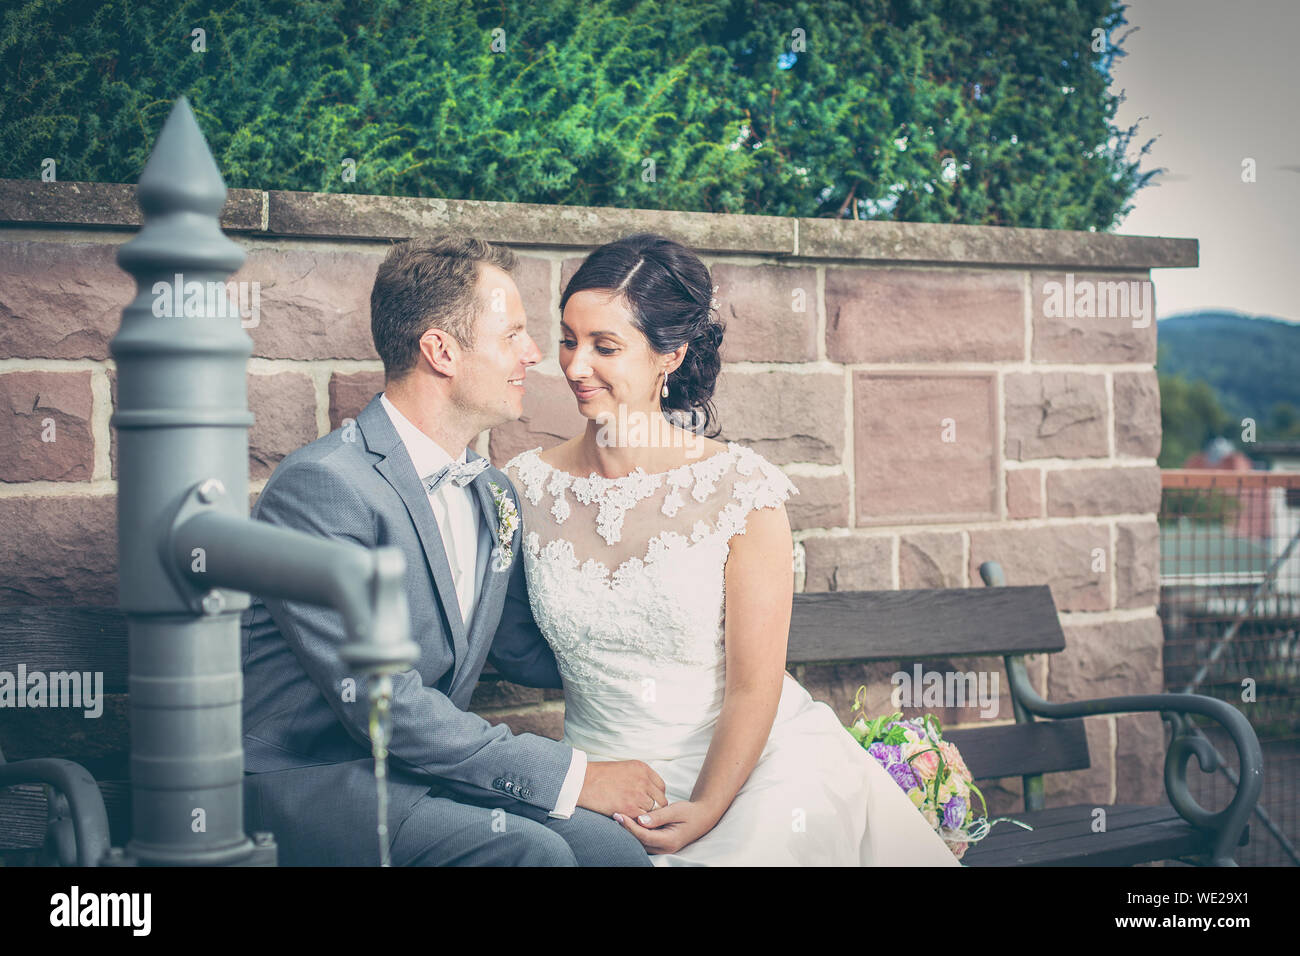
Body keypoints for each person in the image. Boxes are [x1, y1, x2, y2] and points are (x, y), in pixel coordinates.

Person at [503, 233, 962, 866]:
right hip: (599, 783)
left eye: (604, 346)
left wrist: (707, 810)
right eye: (568, 339)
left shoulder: (742, 494)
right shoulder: (525, 486)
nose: (575, 366)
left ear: (671, 355)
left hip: (750, 778)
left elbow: (754, 684)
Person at [240, 236, 656, 866]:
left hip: (422, 777)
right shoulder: (323, 488)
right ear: (440, 351)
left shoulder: (492, 491)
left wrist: (659, 652)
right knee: (531, 856)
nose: (536, 354)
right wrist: (573, 776)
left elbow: (522, 646)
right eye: (512, 334)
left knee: (611, 852)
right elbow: (383, 704)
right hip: (310, 785)